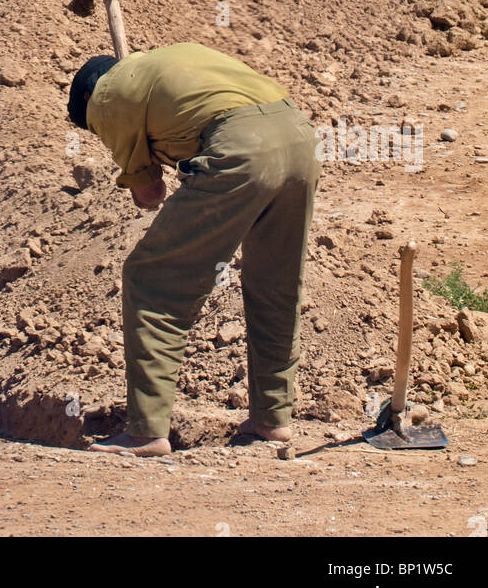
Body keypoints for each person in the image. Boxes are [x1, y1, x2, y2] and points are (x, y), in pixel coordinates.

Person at [67, 43, 320, 456]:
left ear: (88, 101)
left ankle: (146, 431)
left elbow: (149, 194)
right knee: (275, 281)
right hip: (298, 137)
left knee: (152, 279)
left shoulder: (105, 97)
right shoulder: (168, 62)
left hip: (240, 149)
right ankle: (272, 419)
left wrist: (143, 169)